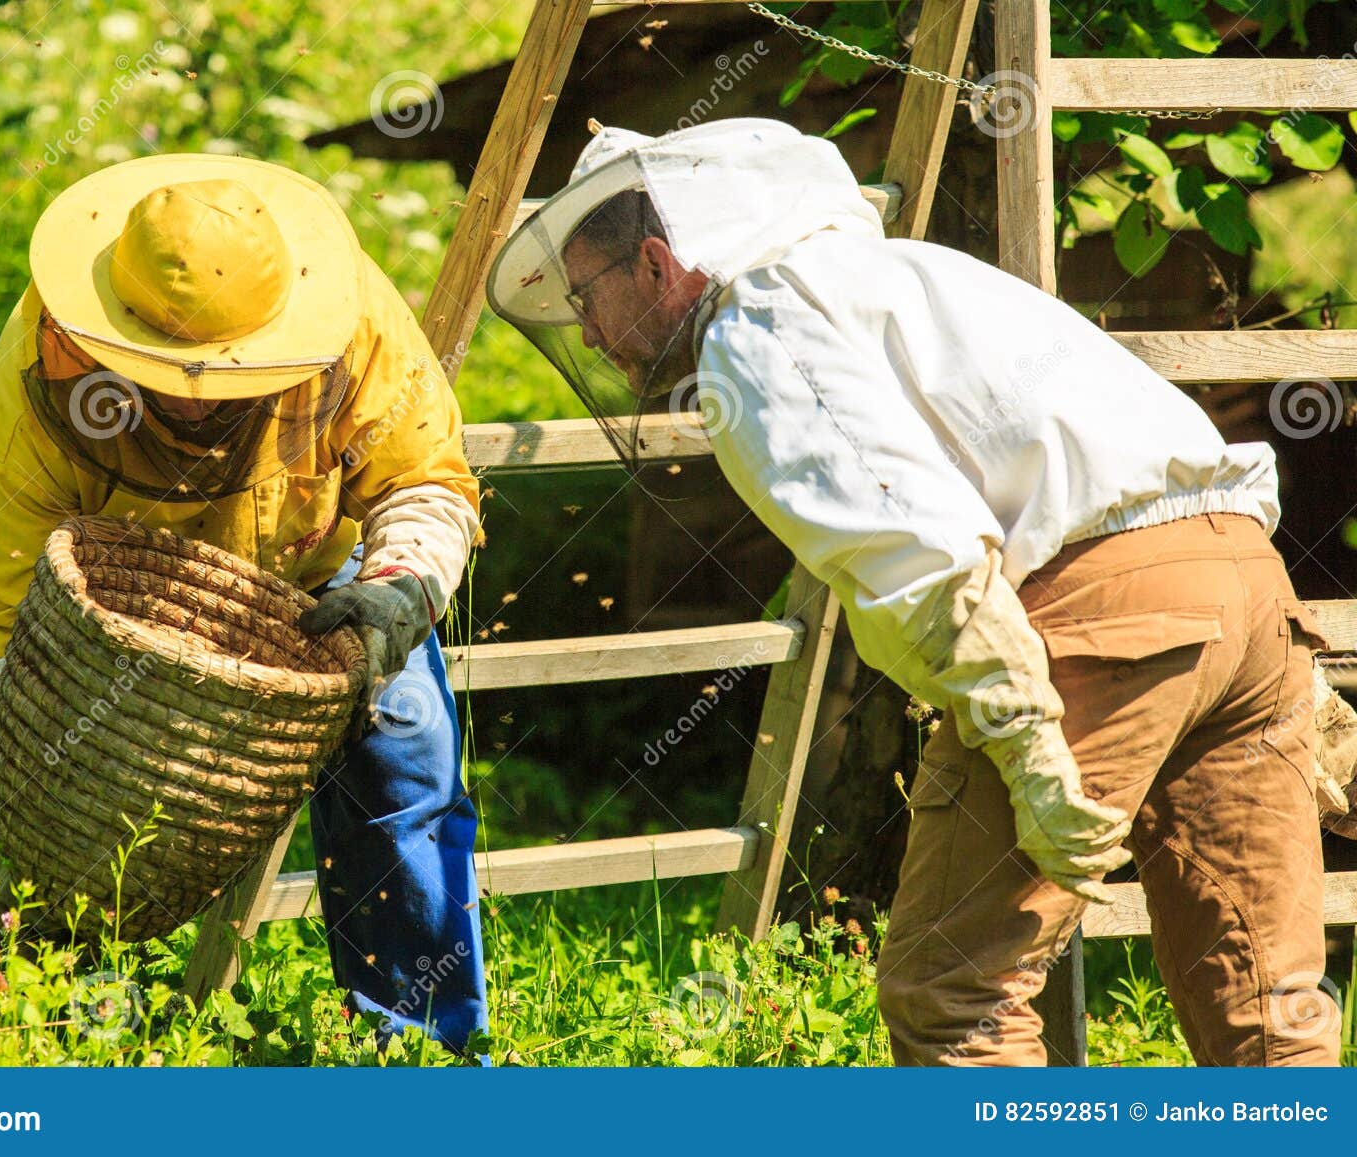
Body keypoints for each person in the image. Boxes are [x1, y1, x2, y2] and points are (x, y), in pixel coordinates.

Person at [487, 117, 1355, 1065]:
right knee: (1265, 998)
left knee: (951, 992)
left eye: (587, 295)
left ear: (656, 264)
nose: (589, 331)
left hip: (1104, 620)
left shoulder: (760, 325)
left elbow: (912, 547)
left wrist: (1029, 740)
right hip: (1245, 585)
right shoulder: (905, 274)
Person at [0, 152, 487, 1055]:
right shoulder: (38, 365)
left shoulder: (359, 324)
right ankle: (10, 1028)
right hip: (104, 608)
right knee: (15, 759)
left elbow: (425, 479)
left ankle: (420, 1042)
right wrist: (11, 831)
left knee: (410, 757)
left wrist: (397, 593)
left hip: (326, 578)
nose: (198, 406)